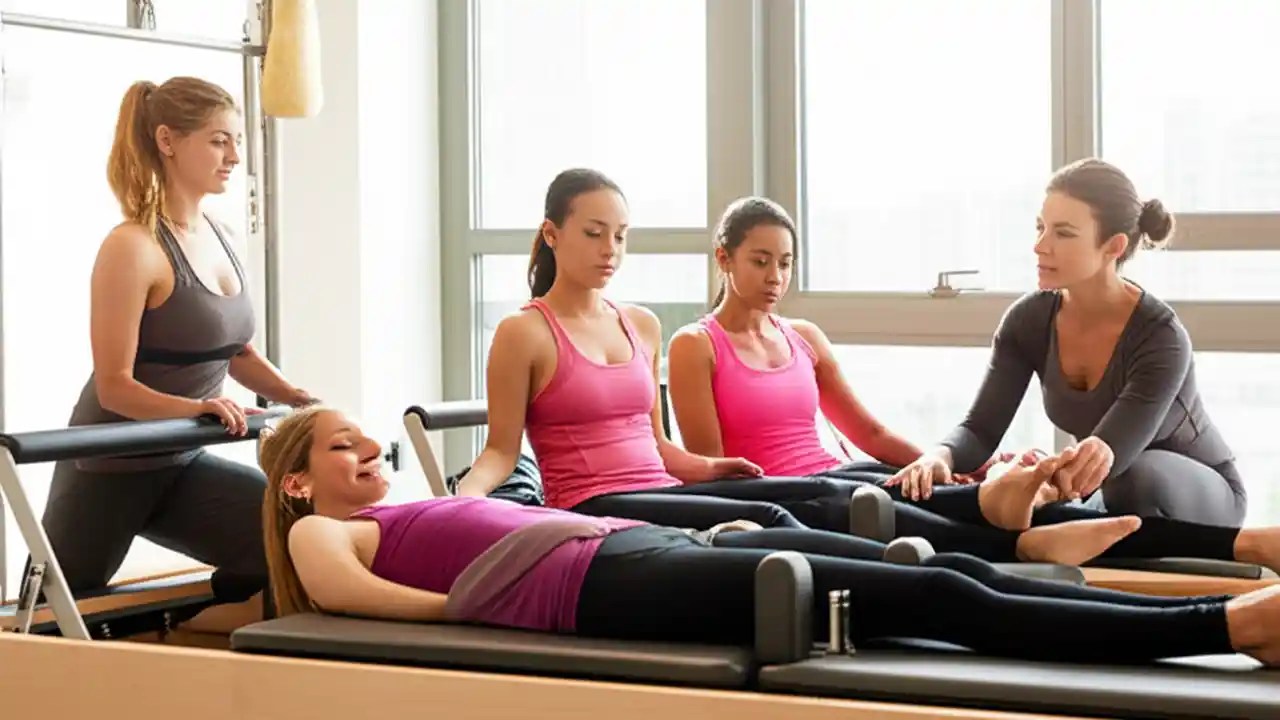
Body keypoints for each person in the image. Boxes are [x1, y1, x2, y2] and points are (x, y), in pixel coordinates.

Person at [451, 168, 1146, 568]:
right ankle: (1005, 546)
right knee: (784, 504)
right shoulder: (523, 333)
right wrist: (464, 502)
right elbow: (501, 452)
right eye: (593, 233)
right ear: (552, 234)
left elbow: (652, 443)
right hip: (591, 505)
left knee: (810, 497)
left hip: (658, 481)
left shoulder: (641, 323)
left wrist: (707, 469)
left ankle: (1015, 530)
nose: (610, 249)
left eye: (622, 235)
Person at [260, 405, 1280, 667]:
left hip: (627, 547)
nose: (370, 458)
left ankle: (1205, 612)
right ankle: (1223, 627)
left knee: (935, 561)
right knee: (934, 602)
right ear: (298, 480)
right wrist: (470, 608)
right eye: (344, 449)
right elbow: (343, 598)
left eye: (372, 446)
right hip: (594, 592)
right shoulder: (325, 536)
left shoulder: (391, 512)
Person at [666, 194, 1280, 573]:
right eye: (760, 260)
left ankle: (1034, 528)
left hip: (1166, 479)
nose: (776, 275)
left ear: (1113, 246)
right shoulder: (697, 345)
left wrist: (941, 469)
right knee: (942, 510)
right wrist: (950, 458)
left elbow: (871, 433)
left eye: (786, 262)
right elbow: (715, 469)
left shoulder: (803, 336)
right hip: (785, 492)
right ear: (724, 258)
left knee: (925, 498)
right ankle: (1033, 540)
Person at [41, 77, 314, 619]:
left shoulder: (222, 235)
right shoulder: (133, 247)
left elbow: (236, 352)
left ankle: (199, 632)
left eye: (237, 139)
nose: (235, 155)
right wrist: (200, 410)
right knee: (54, 613)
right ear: (168, 141)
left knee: (293, 533)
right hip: (108, 468)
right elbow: (115, 385)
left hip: (181, 461)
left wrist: (294, 394)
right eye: (219, 140)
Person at [893, 158, 1247, 527]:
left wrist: (1040, 481)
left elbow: (1111, 453)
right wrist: (939, 457)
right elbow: (980, 429)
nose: (1040, 246)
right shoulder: (1027, 321)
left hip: (1199, 492)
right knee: (1029, 499)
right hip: (1107, 485)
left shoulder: (1161, 337)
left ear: (1113, 246)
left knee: (1130, 478)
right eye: (1040, 228)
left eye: (1063, 233)